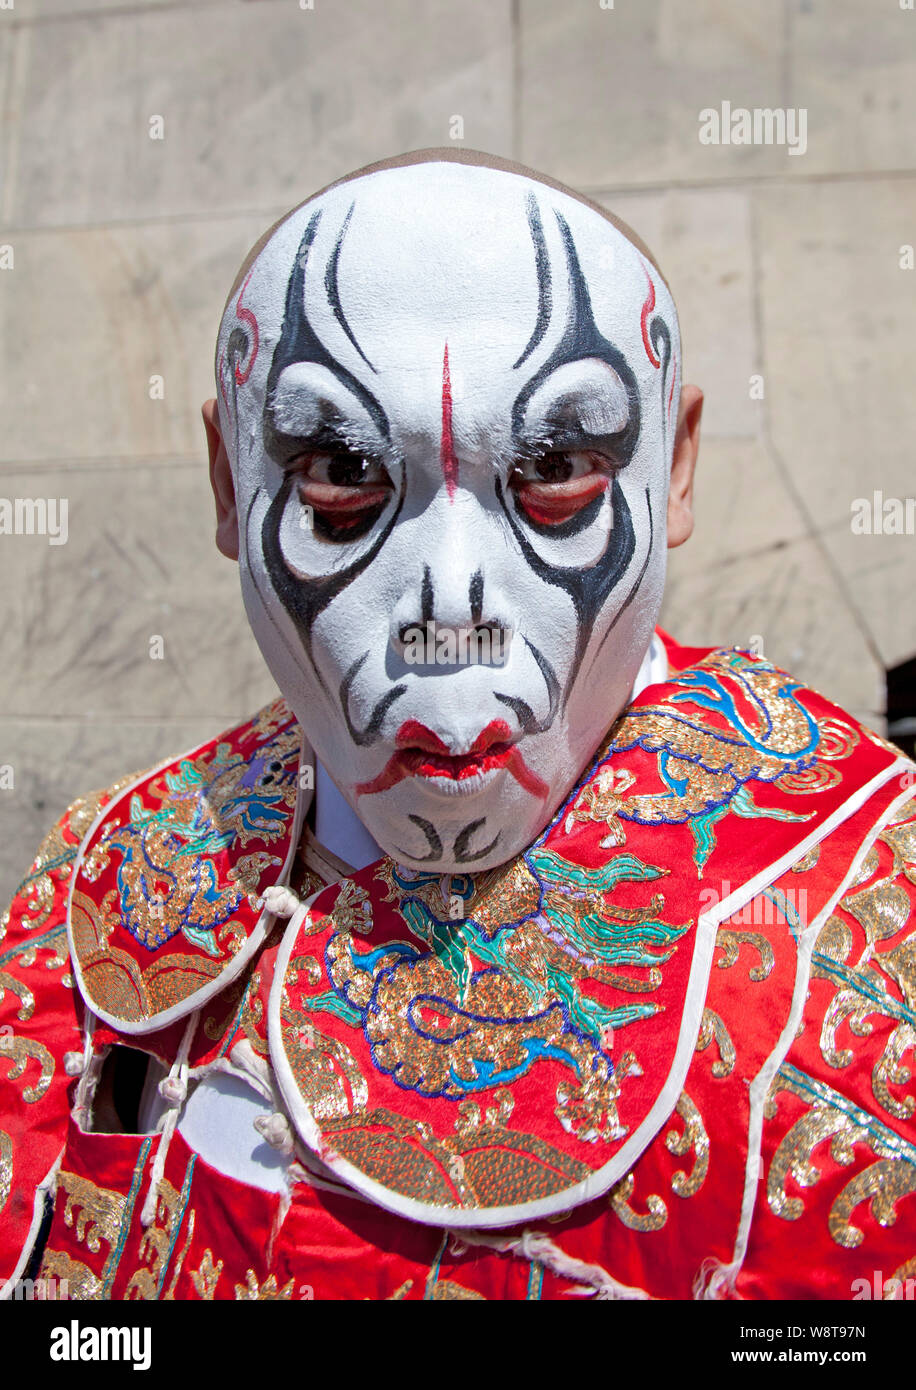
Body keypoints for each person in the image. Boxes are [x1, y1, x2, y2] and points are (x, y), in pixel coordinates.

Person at [1, 149, 914, 1302]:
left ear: (672, 468)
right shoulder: (101, 877)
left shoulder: (873, 905)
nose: (448, 606)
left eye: (559, 469)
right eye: (337, 470)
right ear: (230, 488)